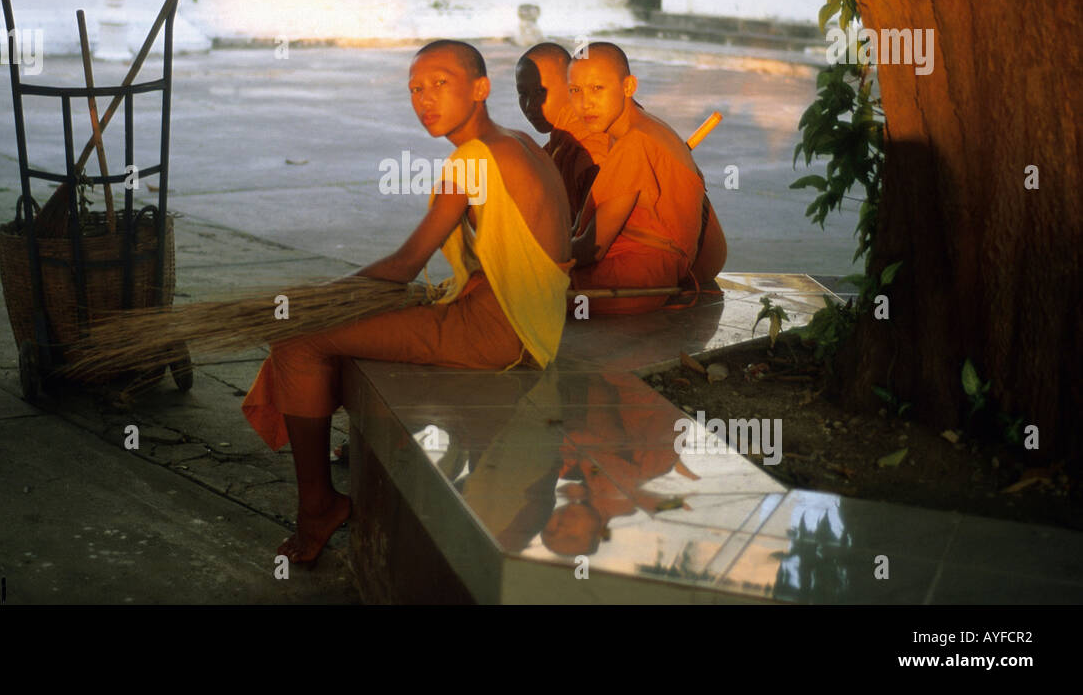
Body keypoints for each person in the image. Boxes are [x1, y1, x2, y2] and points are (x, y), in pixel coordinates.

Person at [242, 40, 574, 565]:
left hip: (496, 331)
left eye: (441, 84)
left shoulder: (474, 159)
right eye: (415, 89)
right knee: (321, 325)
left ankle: (318, 508)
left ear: (481, 89)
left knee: (297, 336)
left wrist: (319, 300)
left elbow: (403, 266)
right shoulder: (520, 144)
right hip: (526, 322)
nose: (425, 100)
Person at [567, 42, 726, 314]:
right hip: (655, 273)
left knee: (521, 293)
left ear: (628, 87)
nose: (585, 102)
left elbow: (590, 249)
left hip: (639, 279)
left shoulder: (636, 142)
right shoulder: (643, 129)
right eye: (575, 90)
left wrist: (532, 255)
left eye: (597, 88)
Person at [514, 42, 608, 225]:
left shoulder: (590, 145)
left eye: (540, 91)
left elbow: (594, 230)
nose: (529, 105)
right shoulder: (558, 145)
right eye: (522, 94)